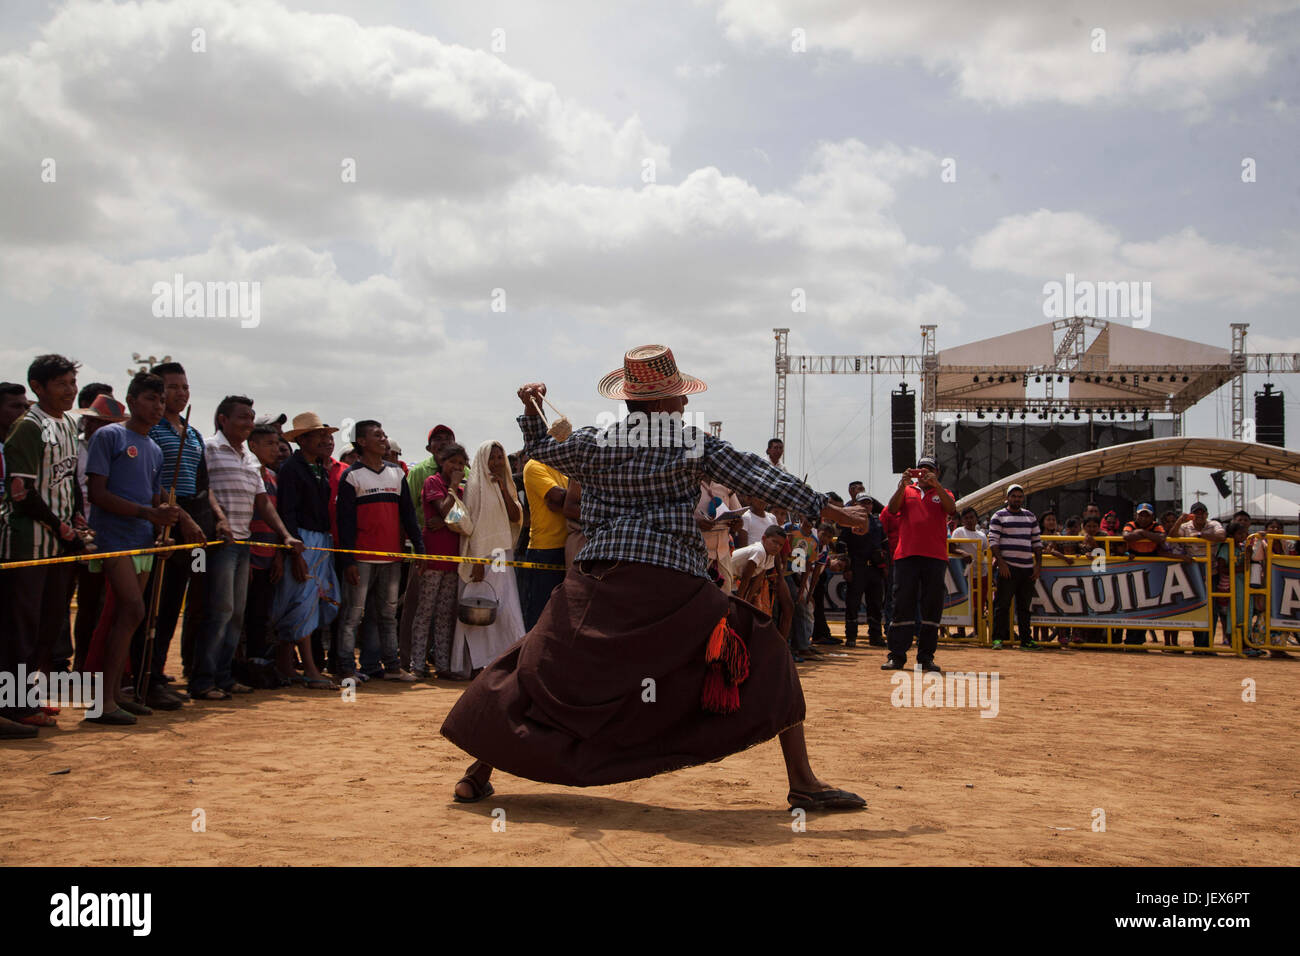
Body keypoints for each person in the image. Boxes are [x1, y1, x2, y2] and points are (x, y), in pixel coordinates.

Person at [441, 345, 874, 811]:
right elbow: (761, 478)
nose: (686, 404)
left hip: (596, 583)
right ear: (661, 402)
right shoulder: (692, 442)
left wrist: (530, 409)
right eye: (678, 396)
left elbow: (542, 449)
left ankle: (477, 771)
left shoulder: (593, 442)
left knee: (538, 665)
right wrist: (836, 512)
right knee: (765, 646)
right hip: (672, 588)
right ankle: (803, 782)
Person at [191, 396, 303, 701]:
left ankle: (224, 677)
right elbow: (205, 489)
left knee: (236, 613)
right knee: (220, 611)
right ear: (223, 420)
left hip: (244, 543)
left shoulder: (250, 459)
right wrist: (220, 519)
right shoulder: (209, 448)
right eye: (242, 417)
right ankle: (203, 679)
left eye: (251, 417)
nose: (248, 422)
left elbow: (263, 502)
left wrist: (285, 536)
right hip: (220, 544)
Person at [84, 371, 179, 723]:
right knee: (132, 611)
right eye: (152, 399)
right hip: (112, 538)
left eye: (162, 401)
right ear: (133, 399)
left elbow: (156, 502)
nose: (158, 407)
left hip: (141, 540)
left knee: (131, 616)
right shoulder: (110, 435)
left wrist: (162, 529)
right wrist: (148, 513)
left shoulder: (154, 449)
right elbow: (98, 494)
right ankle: (102, 701)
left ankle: (113, 696)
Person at [0, 355, 86, 731]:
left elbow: (67, 481)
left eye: (72, 382)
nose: (70, 390)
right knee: (21, 627)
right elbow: (22, 493)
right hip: (28, 543)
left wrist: (76, 518)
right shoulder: (28, 428)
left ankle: (29, 696)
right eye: (62, 383)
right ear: (39, 386)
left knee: (49, 626)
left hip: (59, 545)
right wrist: (62, 528)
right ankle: (12, 705)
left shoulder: (67, 424)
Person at [131, 362, 208, 706]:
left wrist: (209, 517)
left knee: (178, 596)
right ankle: (141, 675)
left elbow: (203, 483)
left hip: (192, 520)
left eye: (184, 386)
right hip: (164, 516)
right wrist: (182, 519)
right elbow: (153, 482)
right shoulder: (152, 431)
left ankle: (159, 670)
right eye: (172, 387)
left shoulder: (192, 432)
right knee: (152, 604)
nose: (180, 393)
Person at [335, 420, 424, 682]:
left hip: (391, 558)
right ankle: (346, 668)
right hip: (361, 558)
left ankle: (388, 667)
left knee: (386, 615)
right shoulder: (351, 476)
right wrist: (348, 560)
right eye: (377, 435)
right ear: (361, 442)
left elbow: (408, 515)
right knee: (353, 615)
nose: (384, 439)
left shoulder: (397, 474)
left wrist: (419, 548)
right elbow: (345, 524)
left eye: (384, 434)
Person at [274, 413, 343, 683]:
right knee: (301, 603)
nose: (327, 440)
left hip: (320, 540)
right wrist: (294, 550)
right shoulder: (292, 469)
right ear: (303, 439)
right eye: (320, 435)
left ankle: (289, 666)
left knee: (309, 602)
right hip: (302, 540)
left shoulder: (318, 468)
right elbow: (287, 511)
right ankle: (309, 669)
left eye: (328, 435)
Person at [448, 440, 525, 679]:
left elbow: (516, 518)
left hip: (503, 556)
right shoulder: (474, 486)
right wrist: (478, 561)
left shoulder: (508, 485)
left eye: (500, 457)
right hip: (481, 557)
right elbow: (472, 527)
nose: (496, 462)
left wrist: (502, 488)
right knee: (478, 614)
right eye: (492, 457)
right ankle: (477, 664)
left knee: (506, 610)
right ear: (482, 460)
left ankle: (507, 661)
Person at [882, 456, 956, 671]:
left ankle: (926, 657)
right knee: (902, 605)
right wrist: (901, 486)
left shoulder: (943, 493)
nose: (923, 473)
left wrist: (937, 486)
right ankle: (896, 655)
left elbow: (951, 509)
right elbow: (893, 510)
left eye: (929, 470)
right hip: (906, 556)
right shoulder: (907, 491)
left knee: (931, 607)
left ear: (937, 472)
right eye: (920, 469)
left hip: (935, 557)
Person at [410, 442, 470, 678]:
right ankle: (417, 664)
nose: (457, 467)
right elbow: (446, 511)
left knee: (446, 613)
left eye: (461, 463)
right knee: (425, 611)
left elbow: (457, 520)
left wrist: (444, 519)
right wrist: (453, 489)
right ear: (442, 463)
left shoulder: (463, 491)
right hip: (433, 555)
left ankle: (443, 666)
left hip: (453, 557)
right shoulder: (433, 482)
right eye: (452, 462)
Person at [986, 483, 1043, 651]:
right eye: (1014, 496)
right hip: (1008, 568)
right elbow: (993, 542)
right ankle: (997, 638)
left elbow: (1037, 543)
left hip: (1026, 568)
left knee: (1024, 607)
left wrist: (1038, 565)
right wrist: (1002, 564)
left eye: (1019, 496)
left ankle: (1026, 640)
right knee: (1002, 606)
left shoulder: (1030, 516)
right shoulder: (999, 516)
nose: (1017, 499)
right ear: (1007, 497)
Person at [520, 446, 568, 630]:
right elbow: (557, 496)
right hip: (545, 549)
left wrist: (568, 501)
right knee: (540, 615)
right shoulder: (534, 466)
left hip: (569, 548)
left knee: (561, 615)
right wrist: (571, 500)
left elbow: (564, 499)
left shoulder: (564, 467)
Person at [1174, 502, 1227, 650]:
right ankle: (1199, 645)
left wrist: (1201, 535)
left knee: (1212, 610)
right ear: (1191, 515)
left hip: (1212, 573)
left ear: (1206, 514)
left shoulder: (1213, 524)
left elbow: (1222, 536)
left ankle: (1207, 645)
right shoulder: (1185, 526)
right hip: (1193, 574)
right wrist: (1180, 521)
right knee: (1196, 609)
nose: (1199, 515)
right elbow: (1171, 536)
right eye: (1196, 513)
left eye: (1202, 513)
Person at [841, 493, 887, 648]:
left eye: (869, 503)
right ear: (857, 505)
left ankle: (875, 636)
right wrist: (846, 567)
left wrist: (884, 564)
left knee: (875, 603)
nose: (866, 506)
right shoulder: (850, 521)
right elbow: (841, 545)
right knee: (852, 603)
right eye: (863, 503)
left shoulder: (877, 522)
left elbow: (885, 544)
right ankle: (851, 636)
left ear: (872, 506)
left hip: (875, 568)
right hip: (856, 567)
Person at [1121, 503, 1167, 648]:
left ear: (1152, 516)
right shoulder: (1130, 524)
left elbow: (1161, 538)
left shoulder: (1156, 526)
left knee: (1146, 606)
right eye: (1141, 514)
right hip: (1133, 566)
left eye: (1146, 515)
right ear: (1136, 515)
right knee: (1132, 604)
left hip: (1151, 568)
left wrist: (1142, 533)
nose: (1144, 517)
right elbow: (1126, 536)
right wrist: (1145, 534)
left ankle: (1139, 640)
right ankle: (1130, 639)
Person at [696, 480, 742, 592]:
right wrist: (697, 523)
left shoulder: (726, 486)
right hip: (698, 554)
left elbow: (739, 515)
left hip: (722, 555)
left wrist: (737, 524)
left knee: (723, 599)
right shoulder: (690, 483)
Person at [948, 507, 985, 640]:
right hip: (964, 574)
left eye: (972, 517)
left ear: (976, 518)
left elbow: (986, 552)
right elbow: (951, 547)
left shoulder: (982, 535)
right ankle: (961, 631)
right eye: (966, 518)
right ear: (962, 520)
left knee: (978, 605)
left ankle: (977, 632)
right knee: (962, 602)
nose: (970, 520)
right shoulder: (959, 532)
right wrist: (962, 553)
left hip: (981, 573)